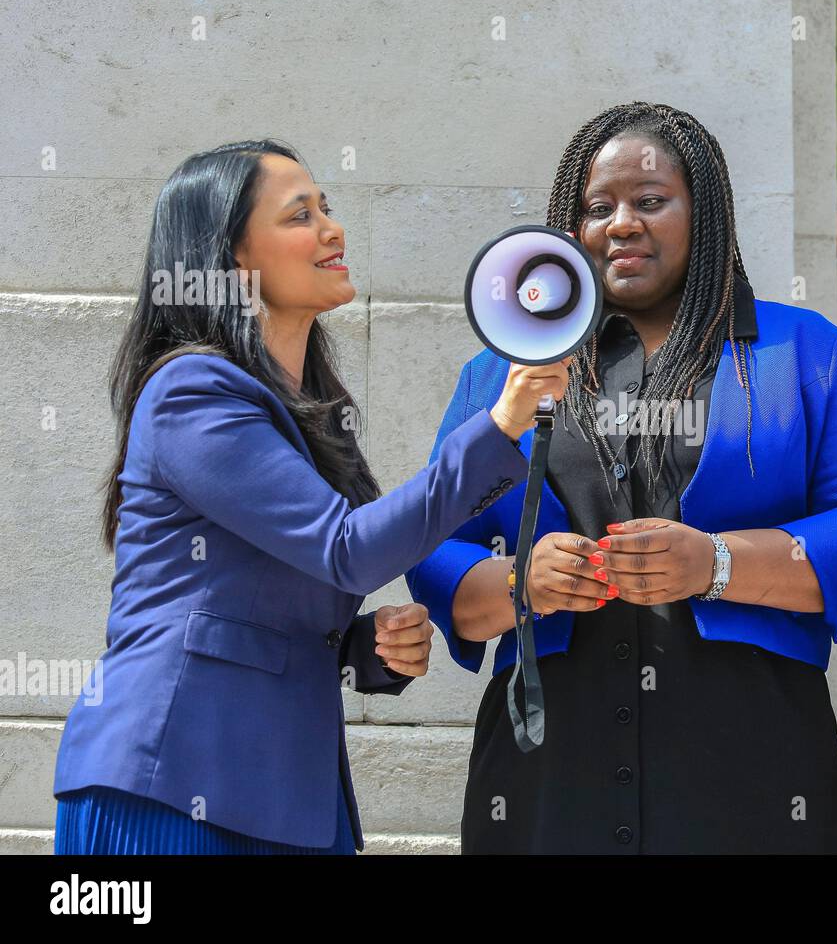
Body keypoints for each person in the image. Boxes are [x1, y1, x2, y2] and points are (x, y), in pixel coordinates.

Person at [408, 101, 837, 854]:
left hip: (748, 772)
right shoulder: (503, 372)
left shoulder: (805, 351)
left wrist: (719, 562)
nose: (622, 223)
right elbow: (429, 539)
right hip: (546, 770)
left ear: (703, 214)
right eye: (597, 207)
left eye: (650, 201)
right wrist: (520, 582)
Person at [52, 139, 567, 854]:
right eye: (300, 215)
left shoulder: (309, 408)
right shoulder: (190, 392)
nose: (333, 229)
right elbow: (346, 551)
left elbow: (278, 605)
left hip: (280, 798)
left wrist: (370, 650)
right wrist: (501, 425)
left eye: (327, 206)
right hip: (170, 786)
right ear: (232, 257)